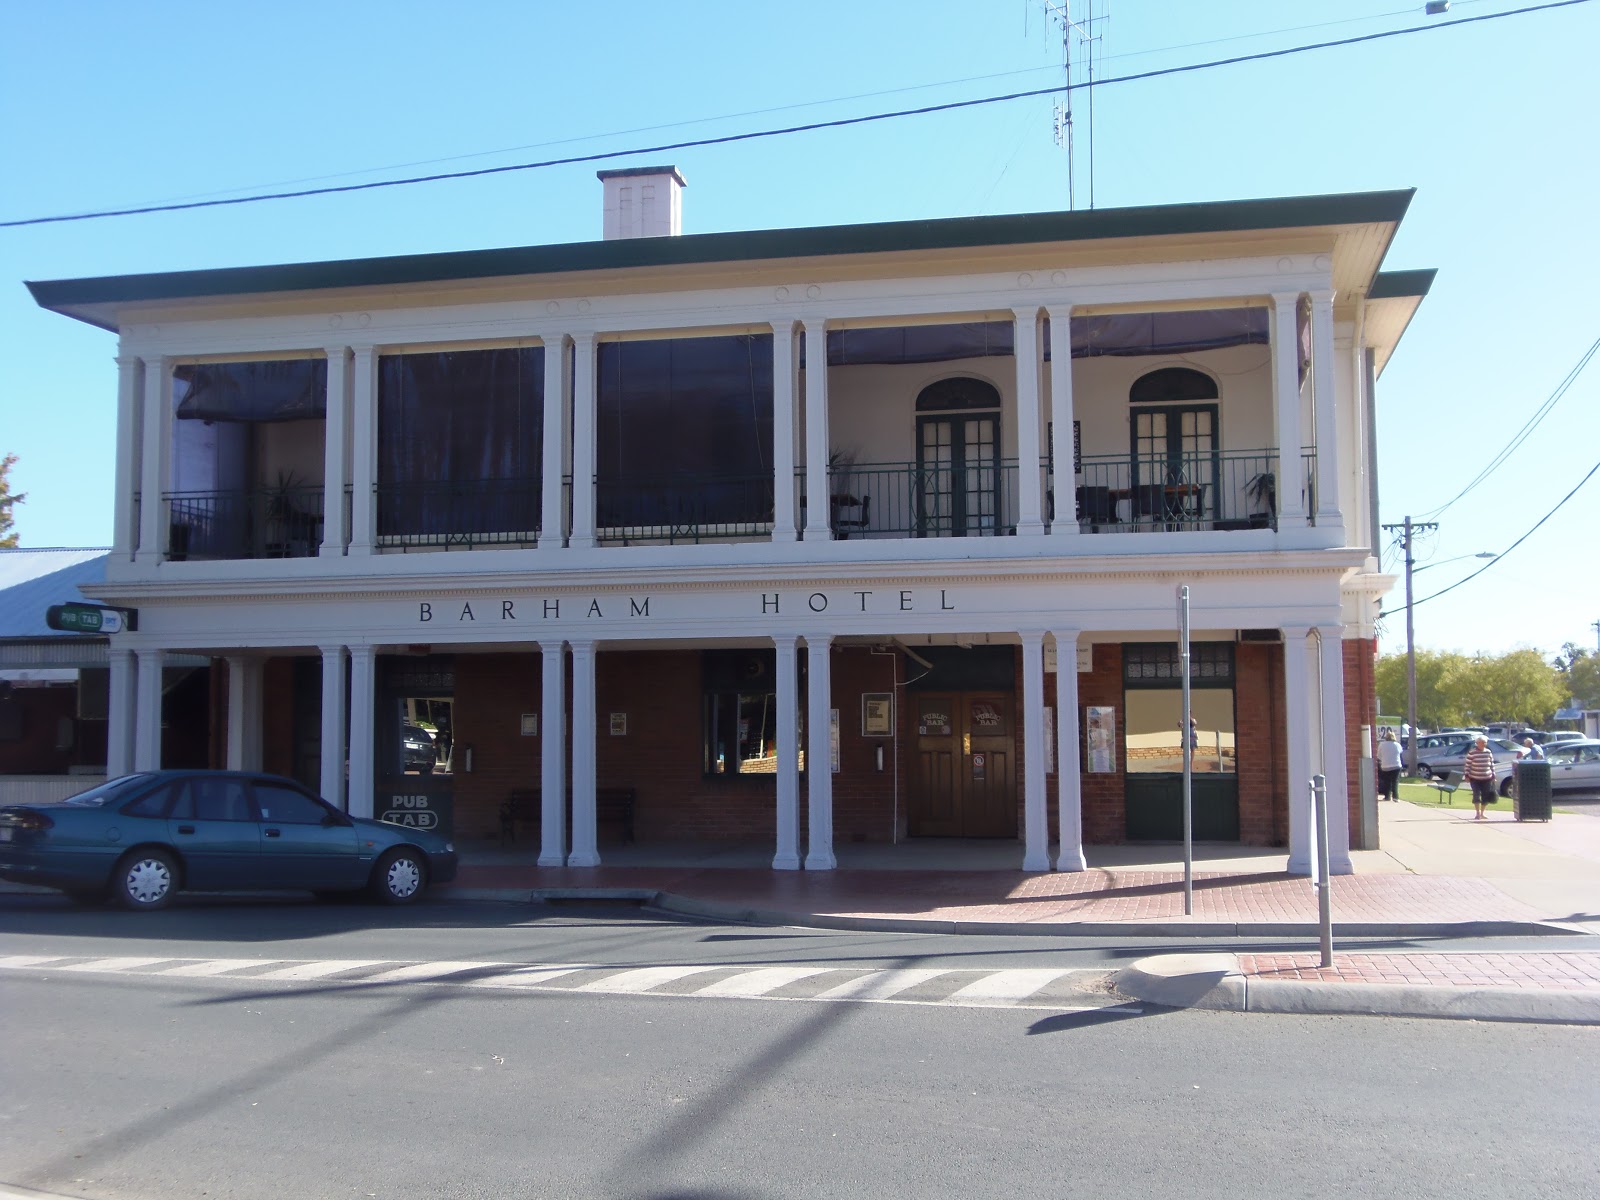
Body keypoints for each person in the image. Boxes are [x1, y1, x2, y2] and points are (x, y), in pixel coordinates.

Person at [1463, 734, 1498, 821]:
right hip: (1475, 778)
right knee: (1476, 795)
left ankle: (1482, 813)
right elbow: (1468, 765)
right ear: (1477, 743)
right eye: (1481, 742)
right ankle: (1477, 813)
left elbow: (1492, 764)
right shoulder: (1472, 753)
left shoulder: (1488, 752)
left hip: (1487, 778)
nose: (1483, 744)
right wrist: (1467, 775)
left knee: (1485, 796)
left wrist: (1493, 775)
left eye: (1484, 742)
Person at [1377, 729, 1404, 801]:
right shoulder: (1397, 745)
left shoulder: (1382, 745)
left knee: (1387, 781)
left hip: (1385, 766)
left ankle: (1387, 796)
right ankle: (1395, 797)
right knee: (1395, 781)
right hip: (1396, 765)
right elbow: (1400, 754)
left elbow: (1379, 756)